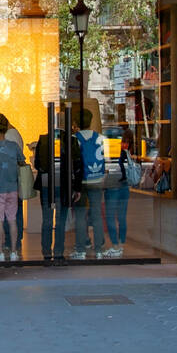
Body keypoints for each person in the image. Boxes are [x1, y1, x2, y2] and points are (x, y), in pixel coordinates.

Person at [34, 124, 82, 265]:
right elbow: (78, 166)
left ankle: (47, 254)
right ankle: (59, 253)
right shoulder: (71, 141)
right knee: (61, 221)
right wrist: (77, 188)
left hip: (46, 185)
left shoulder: (43, 140)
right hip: (64, 186)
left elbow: (37, 164)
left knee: (47, 220)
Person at [0, 115, 27, 263]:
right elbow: (22, 161)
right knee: (12, 220)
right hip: (12, 188)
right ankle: (14, 251)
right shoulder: (14, 146)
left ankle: (0, 252)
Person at [71, 109, 107, 259]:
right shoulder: (99, 137)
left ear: (76, 123)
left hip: (82, 181)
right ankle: (98, 248)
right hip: (97, 180)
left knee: (80, 215)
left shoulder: (74, 138)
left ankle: (81, 248)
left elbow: (73, 162)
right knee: (97, 214)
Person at [101, 130, 139, 257]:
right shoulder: (134, 150)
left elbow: (114, 166)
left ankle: (115, 245)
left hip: (113, 186)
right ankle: (121, 245)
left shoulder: (121, 149)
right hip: (124, 187)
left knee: (111, 217)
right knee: (122, 217)